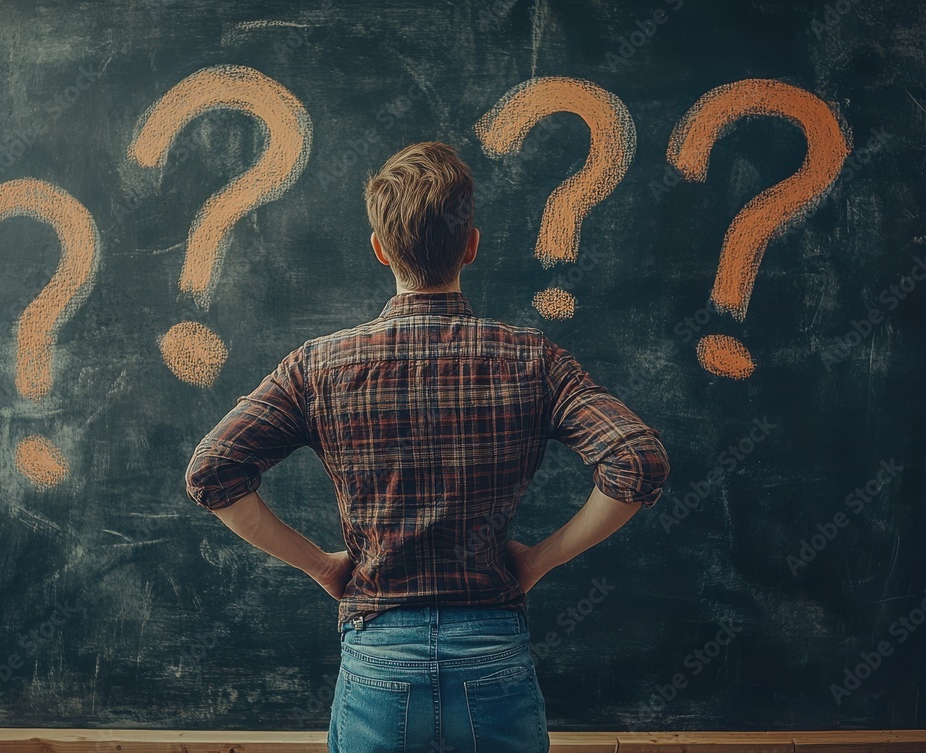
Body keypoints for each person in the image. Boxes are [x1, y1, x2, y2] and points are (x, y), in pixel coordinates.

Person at [184, 141, 670, 753]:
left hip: (378, 657)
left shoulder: (320, 365)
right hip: (494, 651)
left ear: (380, 250)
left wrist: (322, 566)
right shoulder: (531, 358)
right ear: (471, 245)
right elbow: (638, 461)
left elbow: (212, 472)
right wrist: (538, 560)